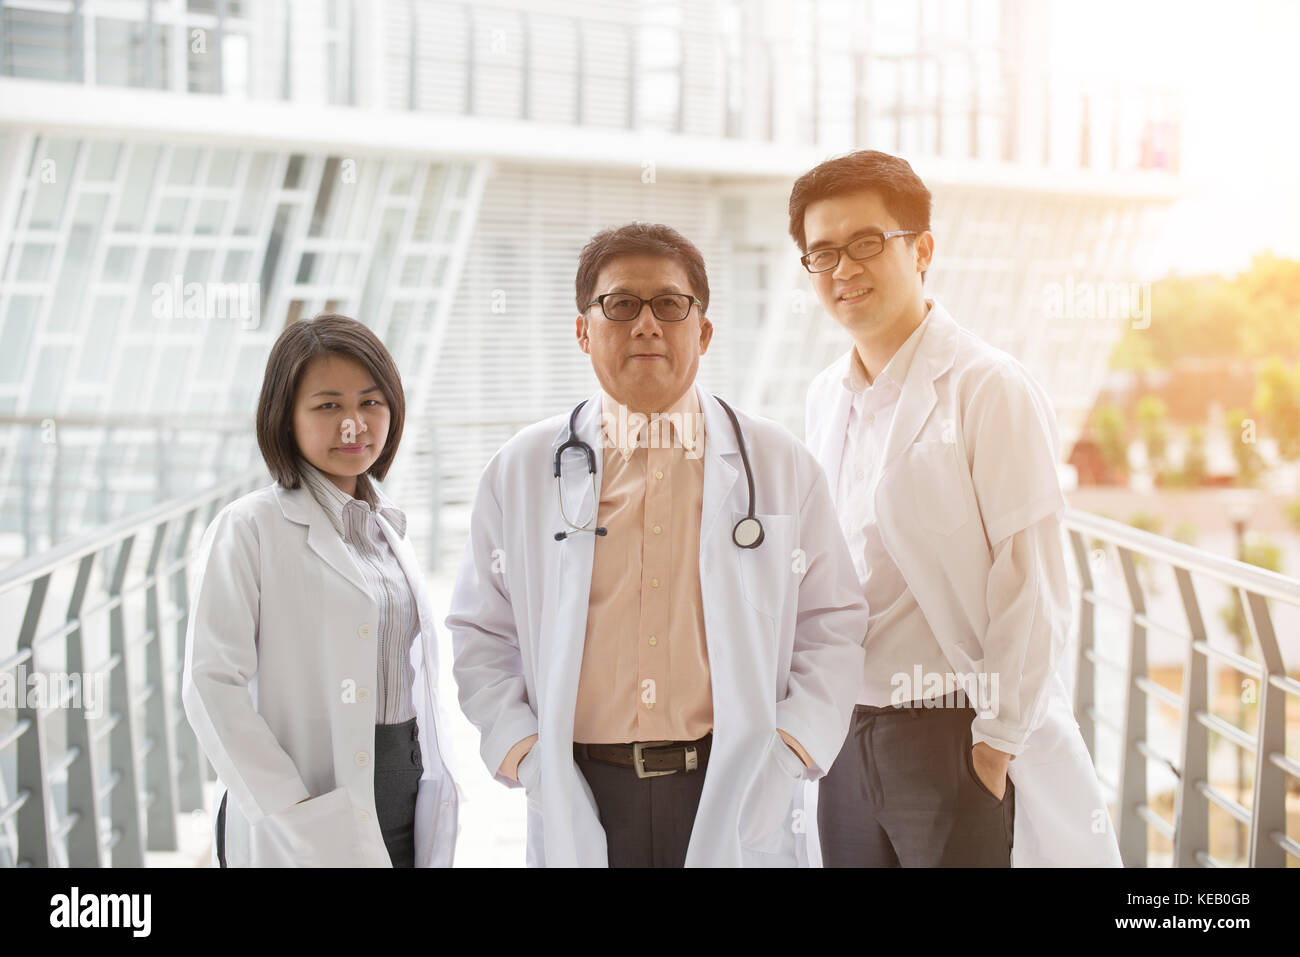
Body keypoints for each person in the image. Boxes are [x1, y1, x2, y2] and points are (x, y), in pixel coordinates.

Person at [446, 222, 867, 867]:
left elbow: (833, 620)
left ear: (703, 332)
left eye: (670, 305)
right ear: (584, 330)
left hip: (732, 783)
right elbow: (480, 631)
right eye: (620, 305)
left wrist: (792, 747)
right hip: (579, 784)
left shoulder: (778, 463)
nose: (646, 324)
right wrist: (525, 754)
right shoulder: (522, 469)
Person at [793, 150, 1122, 867]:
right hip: (846, 736)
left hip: (952, 735)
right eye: (822, 253)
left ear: (923, 250)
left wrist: (995, 745)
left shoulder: (989, 387)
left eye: (867, 243)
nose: (844, 268)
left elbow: (1032, 581)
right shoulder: (826, 397)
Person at [182, 314, 459, 867]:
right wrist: (293, 805)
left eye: (371, 403)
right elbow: (211, 684)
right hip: (304, 806)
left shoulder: (384, 530)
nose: (353, 424)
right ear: (285, 418)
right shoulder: (250, 528)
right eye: (328, 405)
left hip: (402, 790)